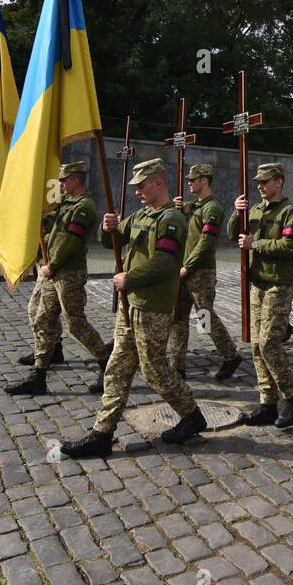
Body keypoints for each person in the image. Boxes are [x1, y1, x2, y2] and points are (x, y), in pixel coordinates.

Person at [60, 159, 205, 457]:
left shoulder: (171, 219)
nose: (137, 191)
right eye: (135, 186)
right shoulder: (141, 216)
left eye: (141, 185)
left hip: (153, 305)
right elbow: (110, 240)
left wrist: (130, 278)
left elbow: (165, 262)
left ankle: (192, 415)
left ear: (158, 183)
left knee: (154, 370)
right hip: (130, 307)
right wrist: (107, 227)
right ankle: (102, 434)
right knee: (116, 368)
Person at [8, 161, 112, 397]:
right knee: (42, 319)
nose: (61, 184)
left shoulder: (84, 207)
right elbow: (52, 227)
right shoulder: (67, 203)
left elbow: (71, 241)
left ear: (76, 180)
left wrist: (51, 265)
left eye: (64, 180)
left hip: (68, 273)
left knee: (75, 323)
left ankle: (106, 363)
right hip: (52, 271)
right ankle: (39, 374)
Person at [230, 162, 293, 428]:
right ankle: (268, 403)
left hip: (278, 285)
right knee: (255, 346)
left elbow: (288, 246)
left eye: (266, 181)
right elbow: (233, 236)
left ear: (279, 181)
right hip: (257, 284)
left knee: (269, 344)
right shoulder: (256, 210)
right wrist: (236, 214)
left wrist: (257, 243)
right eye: (258, 182)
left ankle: (292, 397)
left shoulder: (290, 213)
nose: (260, 186)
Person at [168, 163, 242, 382]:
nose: (189, 182)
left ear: (205, 181)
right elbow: (184, 211)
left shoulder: (213, 209)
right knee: (178, 318)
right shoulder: (195, 206)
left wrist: (187, 267)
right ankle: (177, 366)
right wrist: (178, 206)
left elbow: (206, 243)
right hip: (183, 270)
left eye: (193, 179)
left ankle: (230, 355)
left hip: (200, 272)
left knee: (205, 317)